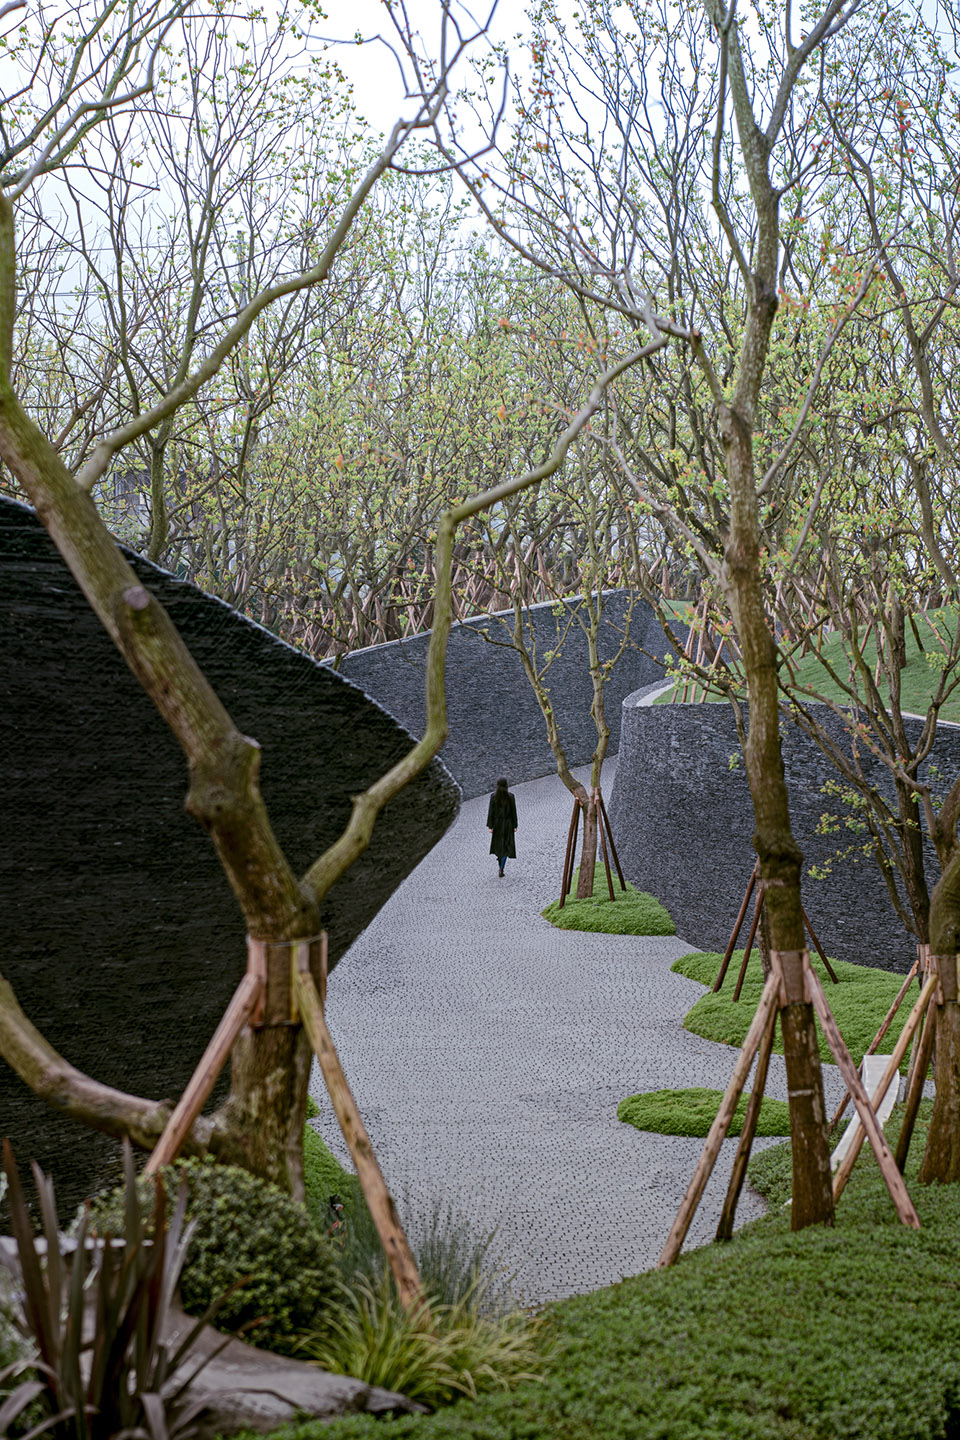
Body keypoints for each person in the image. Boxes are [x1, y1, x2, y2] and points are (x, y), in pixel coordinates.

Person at [486, 777, 518, 877]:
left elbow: (491, 812)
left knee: (498, 845)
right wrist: (515, 825)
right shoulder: (511, 797)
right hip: (508, 823)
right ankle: (501, 868)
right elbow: (514, 812)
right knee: (506, 845)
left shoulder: (493, 797)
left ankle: (499, 861)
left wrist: (490, 826)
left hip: (497, 824)